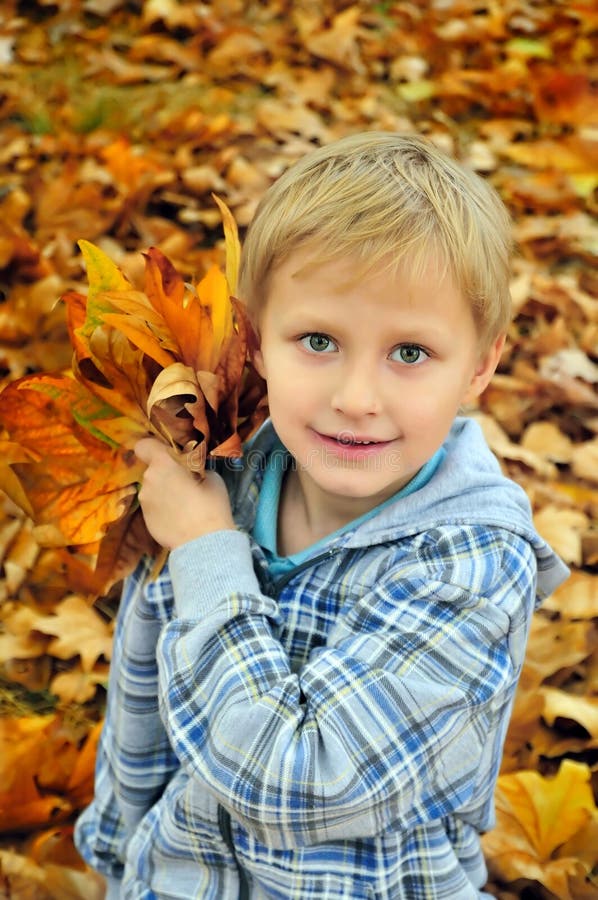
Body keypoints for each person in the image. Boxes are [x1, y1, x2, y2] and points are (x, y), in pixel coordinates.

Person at [75, 132, 569, 899]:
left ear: (480, 364)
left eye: (410, 353)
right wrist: (119, 861)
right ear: (256, 338)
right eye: (317, 340)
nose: (356, 398)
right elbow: (140, 694)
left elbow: (306, 780)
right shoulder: (211, 483)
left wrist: (211, 555)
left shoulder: (471, 563)